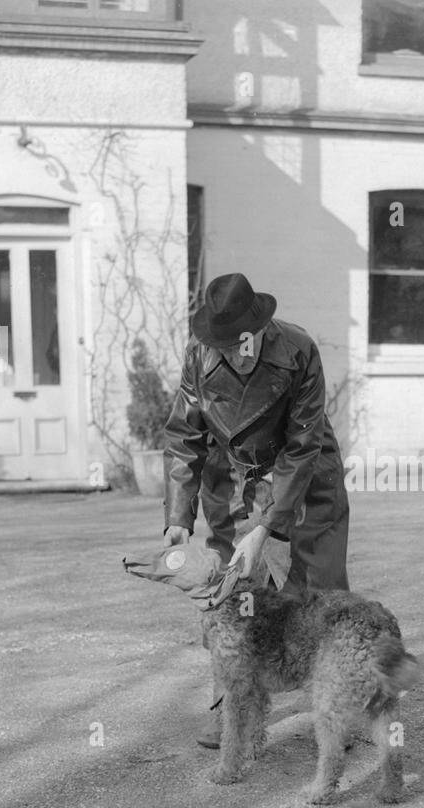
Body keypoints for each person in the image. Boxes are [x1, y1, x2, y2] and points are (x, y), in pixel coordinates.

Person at [161, 272, 351, 747]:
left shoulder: (299, 349)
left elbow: (302, 445)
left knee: (317, 594)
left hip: (305, 478)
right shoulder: (198, 355)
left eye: (237, 343)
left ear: (261, 329)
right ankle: (230, 707)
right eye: (220, 345)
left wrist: (267, 528)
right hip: (235, 477)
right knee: (227, 596)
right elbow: (185, 437)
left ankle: (336, 711)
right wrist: (178, 518)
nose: (229, 353)